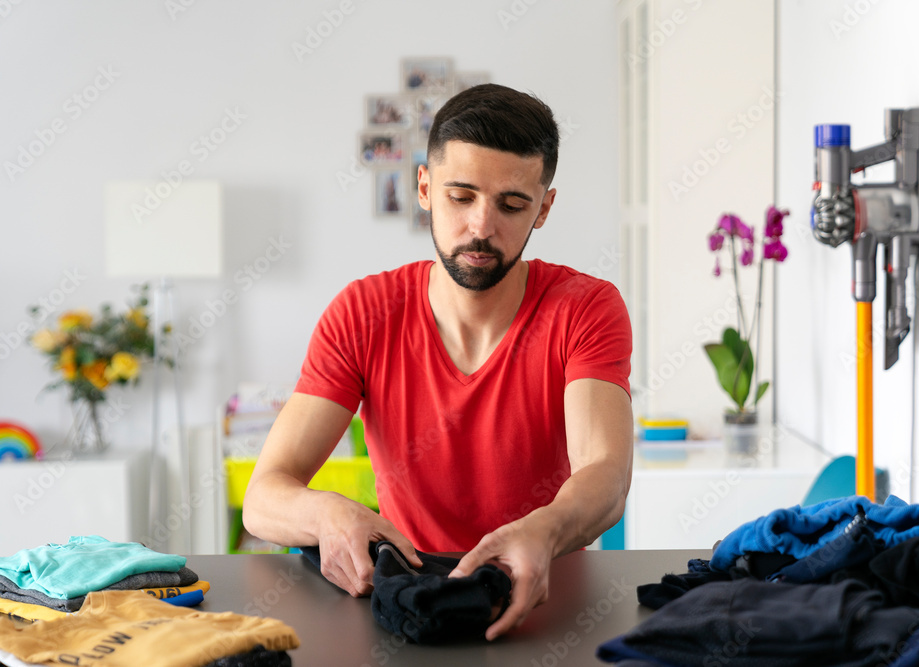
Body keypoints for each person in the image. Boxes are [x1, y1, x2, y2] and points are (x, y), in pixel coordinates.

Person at [243, 83, 634, 641]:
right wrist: (327, 513)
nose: (481, 226)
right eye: (461, 196)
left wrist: (544, 532)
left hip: (547, 594)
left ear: (543, 209)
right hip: (408, 600)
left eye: (512, 204)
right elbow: (263, 497)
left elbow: (606, 474)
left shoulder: (586, 308)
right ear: (425, 187)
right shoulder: (363, 312)